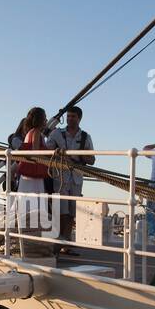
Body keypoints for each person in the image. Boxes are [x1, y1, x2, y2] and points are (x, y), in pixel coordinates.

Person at [47, 107, 95, 255]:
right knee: (61, 212)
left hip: (76, 178)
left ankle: (65, 243)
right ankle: (59, 241)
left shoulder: (86, 137)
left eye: (73, 116)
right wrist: (58, 154)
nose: (69, 119)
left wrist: (78, 156)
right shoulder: (56, 133)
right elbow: (45, 152)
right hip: (60, 177)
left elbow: (92, 160)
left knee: (72, 213)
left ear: (79, 118)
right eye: (68, 116)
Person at [13, 107, 51, 235]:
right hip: (33, 177)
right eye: (45, 117)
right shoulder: (36, 133)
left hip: (27, 177)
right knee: (34, 206)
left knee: (26, 205)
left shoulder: (29, 132)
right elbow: (35, 154)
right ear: (40, 119)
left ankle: (26, 233)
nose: (46, 120)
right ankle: (32, 234)